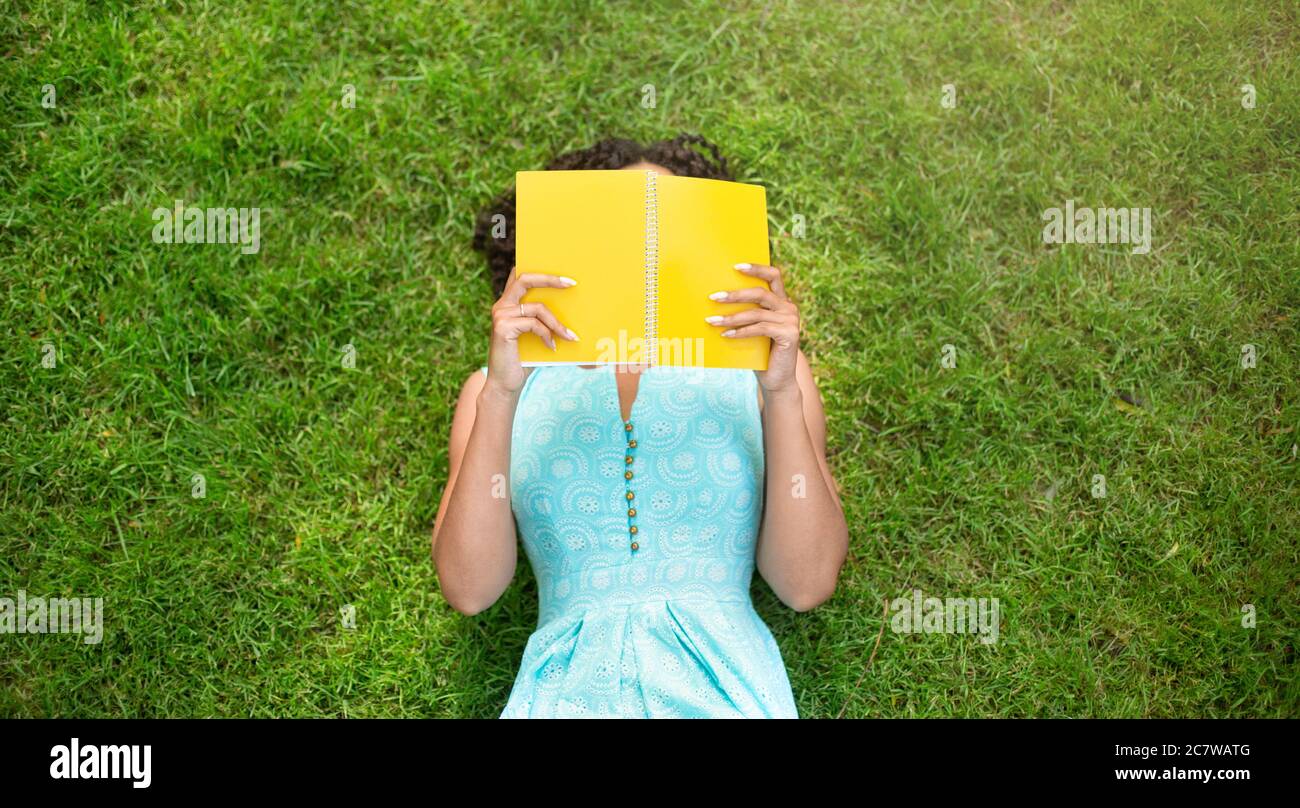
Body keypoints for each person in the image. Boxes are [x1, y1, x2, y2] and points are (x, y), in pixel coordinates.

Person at [433, 134, 848, 718]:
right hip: (562, 696)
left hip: (724, 690)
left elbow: (805, 584)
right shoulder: (498, 387)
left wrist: (779, 390)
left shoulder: (764, 374)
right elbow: (470, 590)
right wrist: (503, 392)